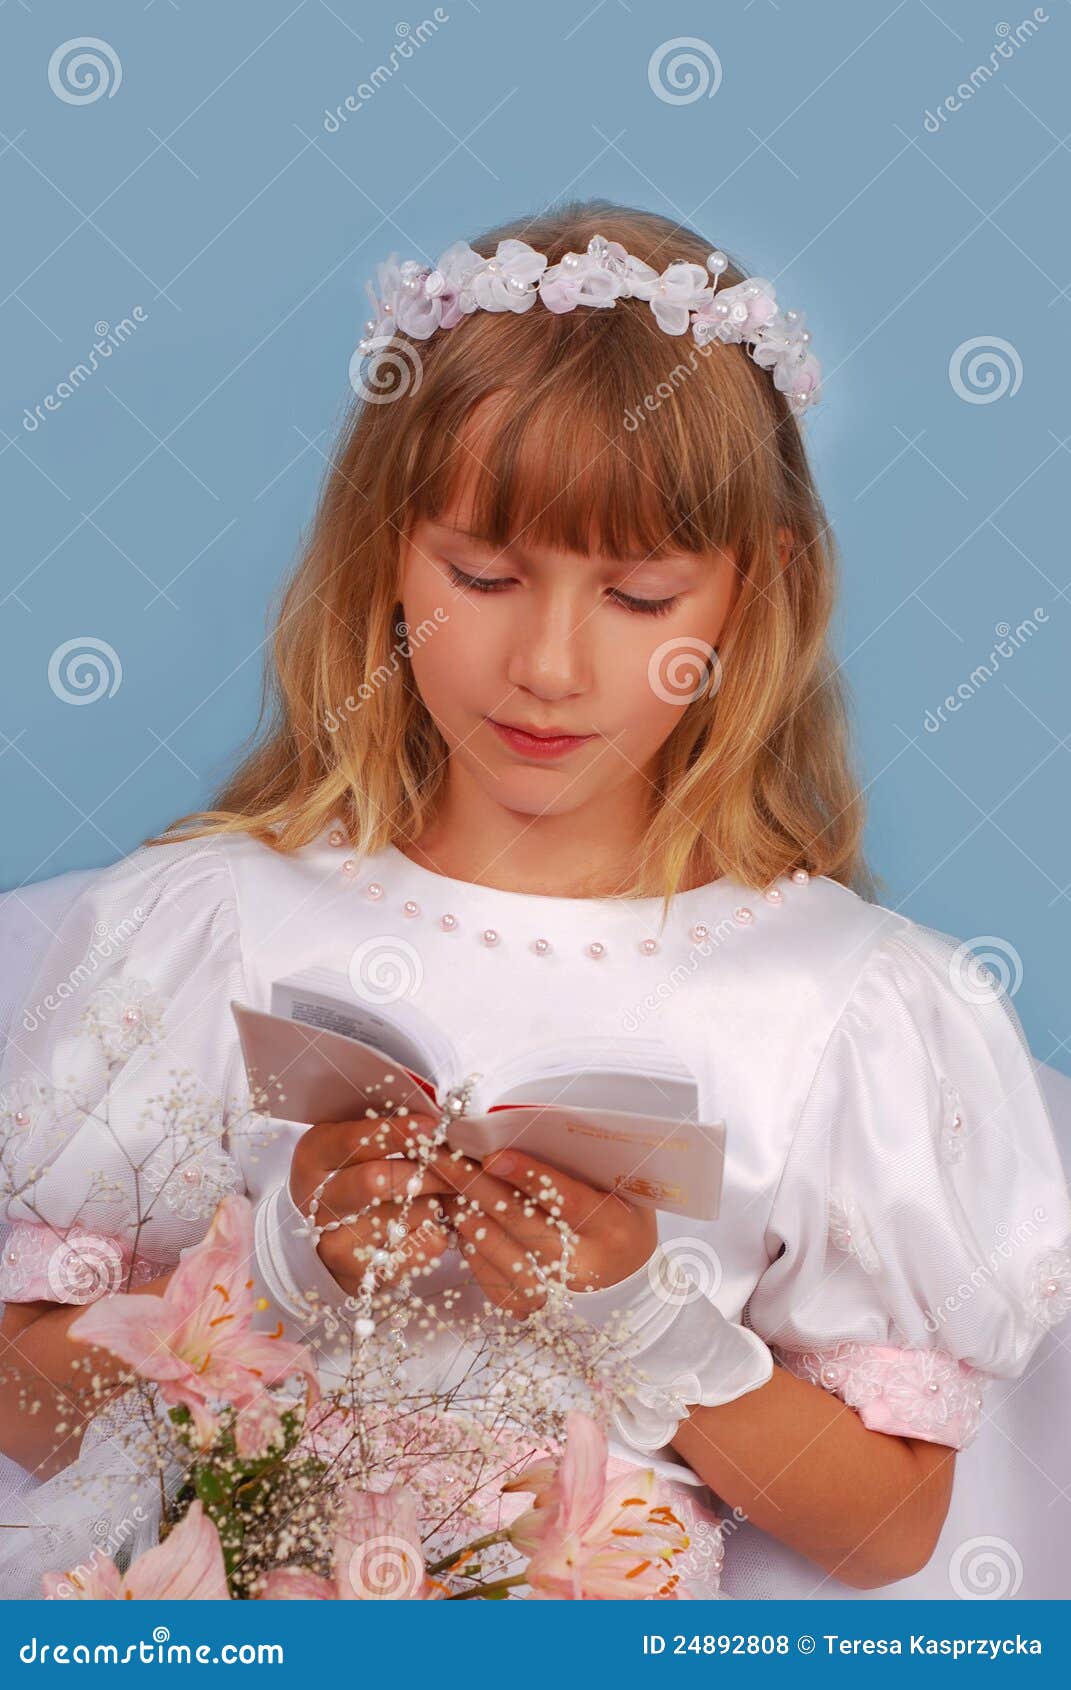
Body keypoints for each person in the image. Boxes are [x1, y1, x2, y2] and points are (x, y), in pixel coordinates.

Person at [1, 200, 1068, 1601]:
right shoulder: (211, 928)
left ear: (754, 592)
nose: (549, 666)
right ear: (388, 553)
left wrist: (643, 1319)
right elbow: (31, 1413)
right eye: (485, 576)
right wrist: (282, 1271)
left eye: (640, 597)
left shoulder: (841, 1003)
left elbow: (885, 1533)